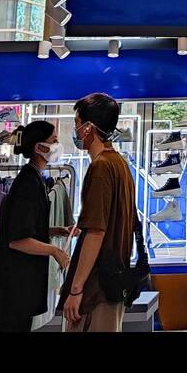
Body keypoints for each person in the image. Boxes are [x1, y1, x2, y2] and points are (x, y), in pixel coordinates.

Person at [59, 93, 137, 332]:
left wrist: (76, 288)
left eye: (77, 125)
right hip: (114, 279)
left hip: (97, 288)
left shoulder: (101, 167)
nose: (76, 132)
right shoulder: (120, 164)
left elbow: (96, 232)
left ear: (88, 128)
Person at [0, 121, 74, 332]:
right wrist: (54, 250)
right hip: (16, 286)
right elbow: (18, 240)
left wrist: (54, 231)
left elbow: (26, 227)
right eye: (54, 141)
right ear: (39, 147)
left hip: (24, 285)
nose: (58, 145)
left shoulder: (35, 179)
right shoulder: (27, 184)